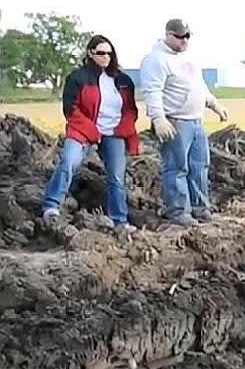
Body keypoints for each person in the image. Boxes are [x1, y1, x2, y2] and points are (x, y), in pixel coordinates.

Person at [41, 34, 141, 234]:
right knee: (69, 162)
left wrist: (125, 130)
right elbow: (71, 109)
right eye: (101, 53)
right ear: (90, 54)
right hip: (83, 129)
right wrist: (91, 130)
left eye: (109, 53)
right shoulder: (78, 77)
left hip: (114, 133)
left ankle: (120, 220)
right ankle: (51, 206)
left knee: (117, 177)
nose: (106, 57)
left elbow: (131, 110)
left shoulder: (123, 80)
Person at [139, 19, 229, 227]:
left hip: (196, 120)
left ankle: (200, 207)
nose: (184, 40)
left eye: (187, 36)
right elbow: (152, 91)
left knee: (200, 165)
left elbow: (199, 85)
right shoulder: (156, 60)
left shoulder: (188, 58)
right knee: (177, 167)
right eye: (179, 36)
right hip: (175, 121)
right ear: (168, 35)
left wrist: (213, 103)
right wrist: (158, 118)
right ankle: (179, 211)